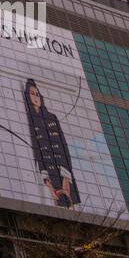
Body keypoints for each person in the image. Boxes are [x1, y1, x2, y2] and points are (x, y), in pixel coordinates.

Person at [23, 78, 80, 208]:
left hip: (64, 170)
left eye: (37, 94)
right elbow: (37, 150)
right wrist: (48, 183)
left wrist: (66, 178)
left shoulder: (52, 118)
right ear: (27, 96)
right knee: (58, 207)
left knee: (71, 207)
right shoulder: (30, 120)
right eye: (32, 94)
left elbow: (63, 146)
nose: (36, 97)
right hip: (49, 172)